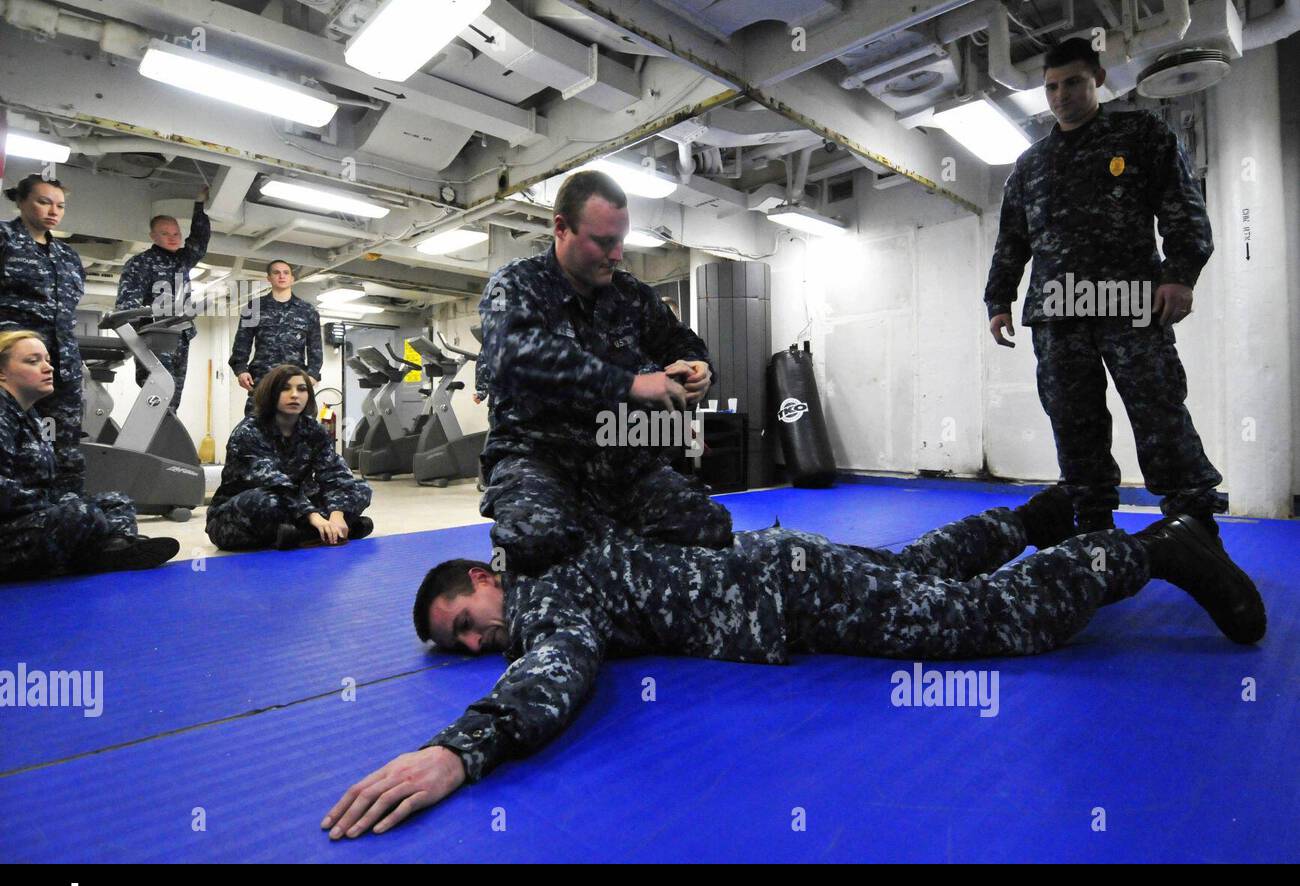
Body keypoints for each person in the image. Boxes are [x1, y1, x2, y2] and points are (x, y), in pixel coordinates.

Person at [322, 487, 1265, 838]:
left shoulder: (548, 596)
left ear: (488, 580)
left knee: (988, 623)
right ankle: (1030, 518)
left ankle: (1151, 551)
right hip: (780, 564)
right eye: (462, 646)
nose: (480, 643)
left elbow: (557, 669)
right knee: (911, 570)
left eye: (468, 619)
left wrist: (462, 747)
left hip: (786, 595)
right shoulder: (562, 561)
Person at [985, 37, 1221, 536]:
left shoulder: (1139, 134)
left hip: (1131, 301)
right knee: (1073, 421)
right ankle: (1093, 527)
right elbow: (1012, 239)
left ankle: (1193, 523)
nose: (1061, 95)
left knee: (1157, 409)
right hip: (1057, 312)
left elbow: (1182, 205)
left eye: (1072, 82)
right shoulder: (1030, 165)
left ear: (1097, 79)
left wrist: (1180, 274)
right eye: (1051, 87)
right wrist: (998, 300)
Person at [476, 169, 731, 576]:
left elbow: (681, 341)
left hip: (620, 461)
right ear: (562, 228)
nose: (616, 254)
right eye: (604, 241)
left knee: (707, 528)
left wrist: (700, 367)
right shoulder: (516, 285)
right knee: (533, 543)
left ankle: (612, 570)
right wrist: (629, 385)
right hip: (539, 459)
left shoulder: (631, 296)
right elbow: (515, 355)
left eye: (621, 241)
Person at [0, 331, 178, 578]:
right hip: (8, 530)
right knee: (80, 514)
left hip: (29, 519)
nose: (48, 368)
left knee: (116, 501)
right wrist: (56, 504)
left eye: (48, 360)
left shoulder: (29, 415)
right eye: (33, 361)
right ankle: (100, 553)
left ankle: (112, 550)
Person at [206, 364, 373, 551]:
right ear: (271, 393)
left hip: (296, 505)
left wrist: (337, 514)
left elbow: (336, 474)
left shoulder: (313, 430)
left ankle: (310, 533)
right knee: (268, 501)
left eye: (302, 389)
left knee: (360, 489)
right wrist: (314, 516)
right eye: (285, 388)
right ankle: (316, 532)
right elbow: (276, 484)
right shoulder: (249, 431)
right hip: (239, 515)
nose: (295, 395)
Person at [0, 174, 86, 493]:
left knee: (66, 448)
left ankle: (68, 513)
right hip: (14, 363)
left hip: (61, 364)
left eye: (60, 205)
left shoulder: (68, 257)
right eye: (44, 201)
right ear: (22, 201)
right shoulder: (5, 238)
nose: (53, 211)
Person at [114, 187, 210, 411]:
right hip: (154, 337)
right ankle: (152, 440)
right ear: (153, 236)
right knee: (157, 392)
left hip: (180, 335)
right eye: (165, 233)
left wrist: (199, 207)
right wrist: (137, 338)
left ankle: (165, 439)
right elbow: (127, 306)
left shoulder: (182, 260)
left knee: (173, 396)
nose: (173, 238)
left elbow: (199, 240)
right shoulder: (140, 263)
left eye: (176, 233)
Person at [229, 259, 323, 415]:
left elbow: (316, 349)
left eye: (286, 273)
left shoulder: (307, 311)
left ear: (292, 278)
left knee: (299, 433)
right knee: (256, 430)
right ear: (269, 278)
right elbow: (241, 344)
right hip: (262, 382)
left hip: (295, 384)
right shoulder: (255, 307)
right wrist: (241, 370)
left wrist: (312, 376)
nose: (281, 276)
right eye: (276, 272)